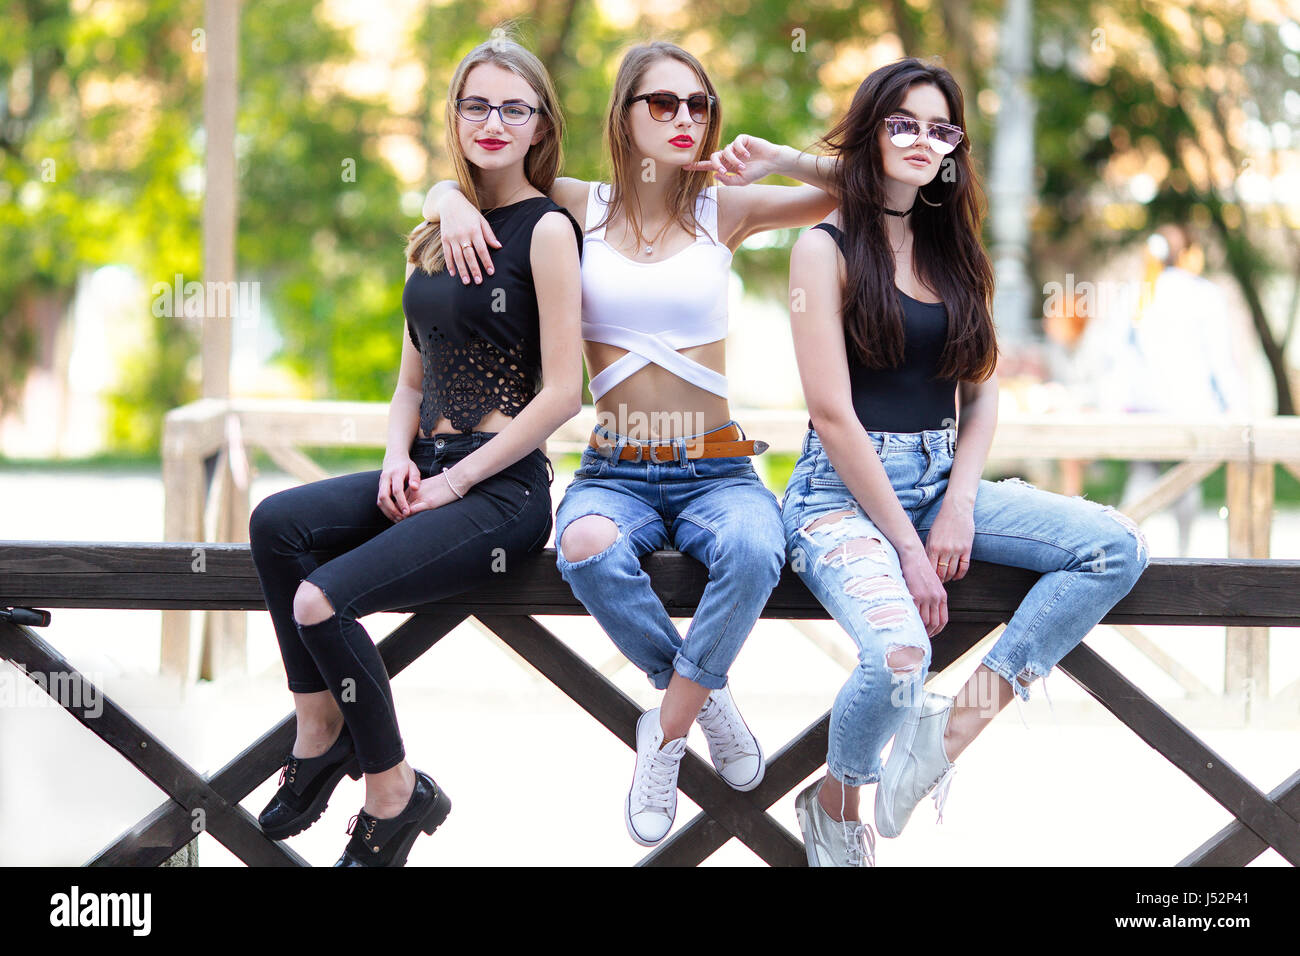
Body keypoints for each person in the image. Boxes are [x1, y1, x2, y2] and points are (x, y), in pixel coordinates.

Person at [422, 40, 839, 847]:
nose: (685, 119)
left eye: (699, 105)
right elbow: (488, 165)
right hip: (617, 465)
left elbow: (863, 189)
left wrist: (781, 157)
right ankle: (703, 699)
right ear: (624, 115)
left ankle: (667, 731)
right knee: (583, 550)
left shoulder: (729, 207)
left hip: (717, 464)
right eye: (663, 103)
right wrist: (446, 196)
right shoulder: (581, 205)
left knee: (757, 553)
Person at [781, 58, 1150, 866]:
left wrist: (957, 505)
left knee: (1113, 548)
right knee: (900, 653)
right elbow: (832, 416)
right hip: (840, 494)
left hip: (940, 480)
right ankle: (836, 799)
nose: (921, 139)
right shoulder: (823, 249)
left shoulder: (956, 251)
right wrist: (910, 550)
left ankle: (947, 735)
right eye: (902, 122)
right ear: (872, 129)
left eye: (940, 128)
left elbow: (980, 395)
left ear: (954, 149)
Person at [247, 35, 583, 867]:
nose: (494, 121)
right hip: (427, 470)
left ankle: (393, 791)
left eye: (515, 107)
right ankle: (320, 727)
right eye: (478, 104)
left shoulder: (548, 231)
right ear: (455, 117)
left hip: (500, 491)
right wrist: (401, 458)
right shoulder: (431, 234)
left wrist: (458, 479)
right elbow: (409, 383)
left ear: (541, 124)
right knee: (274, 522)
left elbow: (565, 394)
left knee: (321, 603)